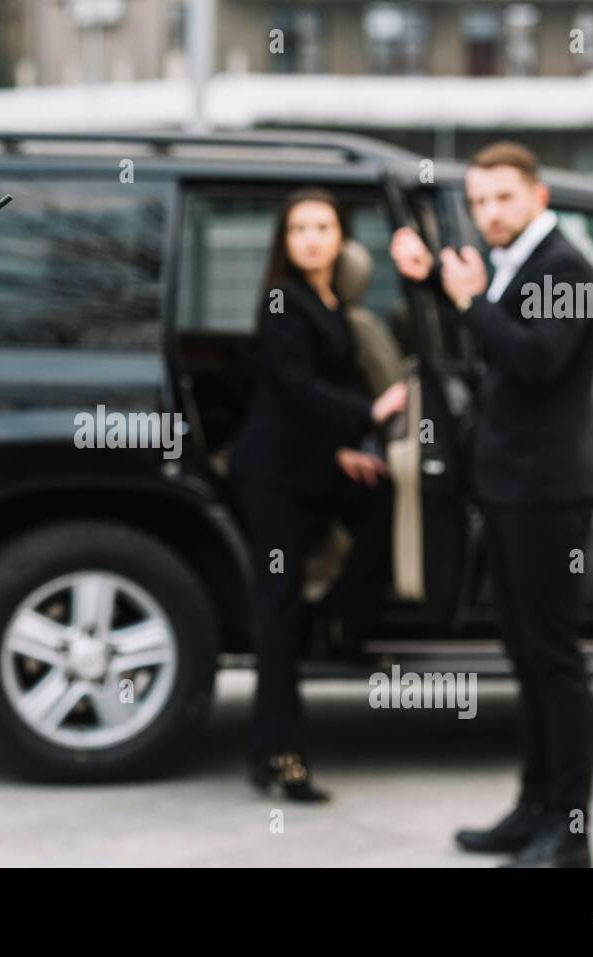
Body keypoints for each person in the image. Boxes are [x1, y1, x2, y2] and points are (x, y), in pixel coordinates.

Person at [390, 141, 593, 867]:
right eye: (480, 200)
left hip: (550, 494)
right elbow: (490, 338)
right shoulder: (522, 266)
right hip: (512, 489)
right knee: (524, 653)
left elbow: (534, 358)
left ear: (538, 198)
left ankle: (571, 830)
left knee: (553, 658)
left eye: (503, 199)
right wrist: (433, 287)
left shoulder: (569, 269)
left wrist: (467, 299)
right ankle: (534, 806)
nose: (488, 212)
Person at [228, 188, 408, 803]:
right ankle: (279, 758)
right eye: (299, 228)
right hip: (272, 474)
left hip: (313, 462)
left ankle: (338, 620)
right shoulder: (284, 299)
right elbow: (294, 387)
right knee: (277, 611)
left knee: (384, 500)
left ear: (341, 239)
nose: (310, 237)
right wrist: (371, 412)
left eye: (323, 227)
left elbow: (310, 394)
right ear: (286, 239)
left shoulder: (330, 298)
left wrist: (341, 448)